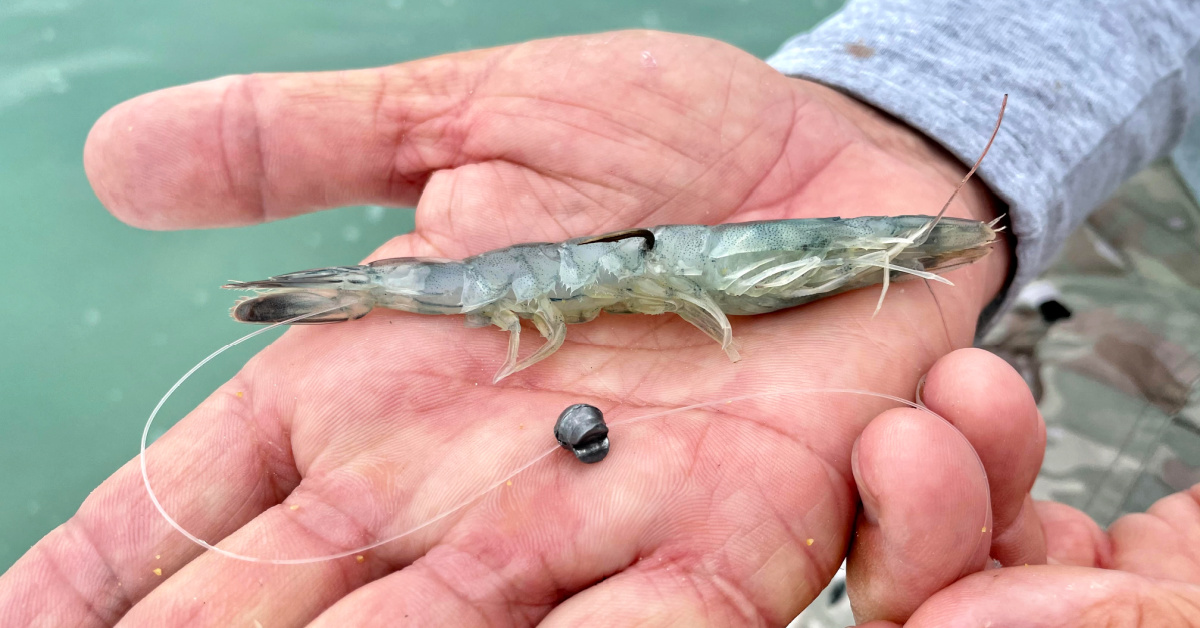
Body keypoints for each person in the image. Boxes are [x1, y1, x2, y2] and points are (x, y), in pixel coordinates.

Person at [1, 0, 1198, 624]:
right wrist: (907, 107)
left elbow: (771, 268)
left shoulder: (816, 260)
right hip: (1142, 205)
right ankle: (355, 298)